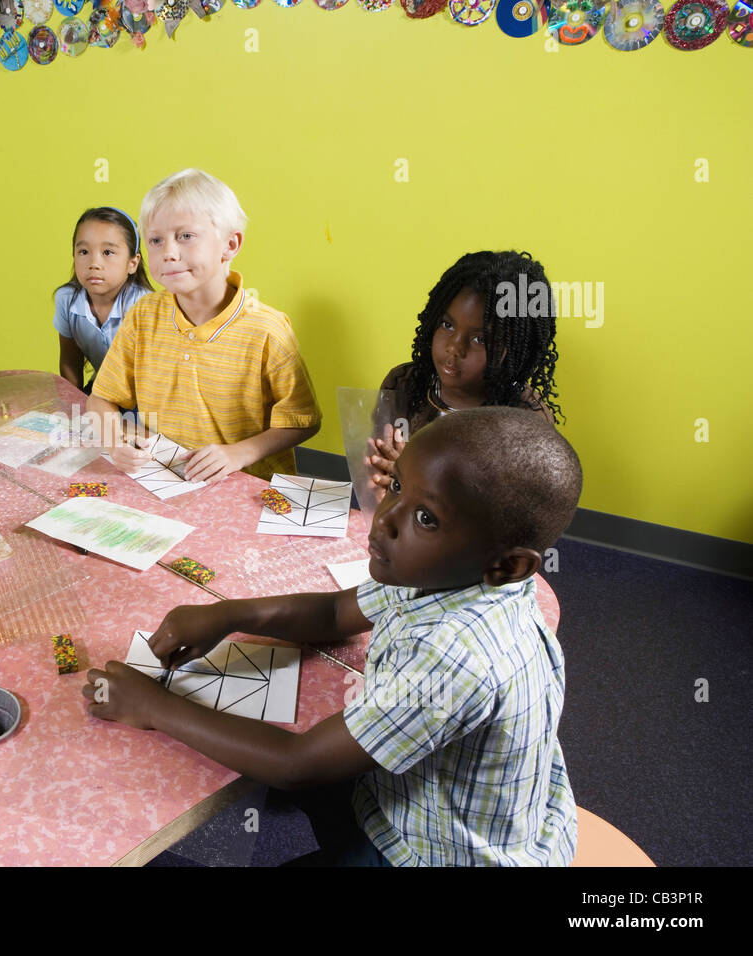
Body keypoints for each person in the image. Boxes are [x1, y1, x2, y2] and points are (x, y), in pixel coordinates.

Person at [84, 407, 582, 866]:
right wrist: (226, 615)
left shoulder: (455, 654)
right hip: (424, 796)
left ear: (510, 564)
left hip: (432, 852)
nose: (384, 520)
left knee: (288, 769)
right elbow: (337, 611)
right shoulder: (454, 576)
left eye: (425, 518)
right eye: (396, 486)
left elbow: (296, 763)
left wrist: (152, 708)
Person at [86, 168, 320, 483]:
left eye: (185, 236)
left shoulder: (267, 329)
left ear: (230, 245)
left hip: (246, 490)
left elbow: (303, 420)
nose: (168, 253)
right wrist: (116, 443)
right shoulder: (143, 316)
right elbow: (101, 398)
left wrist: (239, 453)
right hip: (165, 480)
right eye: (155, 240)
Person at [365, 250, 561, 496]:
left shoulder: (526, 423)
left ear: (515, 350)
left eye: (480, 339)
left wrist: (414, 481)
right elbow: (375, 466)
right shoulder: (404, 384)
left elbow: (507, 516)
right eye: (447, 325)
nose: (454, 347)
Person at [52, 206, 153, 393]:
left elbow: (155, 377)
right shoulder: (66, 299)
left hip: (145, 397)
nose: (94, 263)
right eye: (84, 252)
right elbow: (70, 360)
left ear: (132, 263)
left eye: (107, 252)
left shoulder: (144, 306)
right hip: (102, 390)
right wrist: (75, 407)